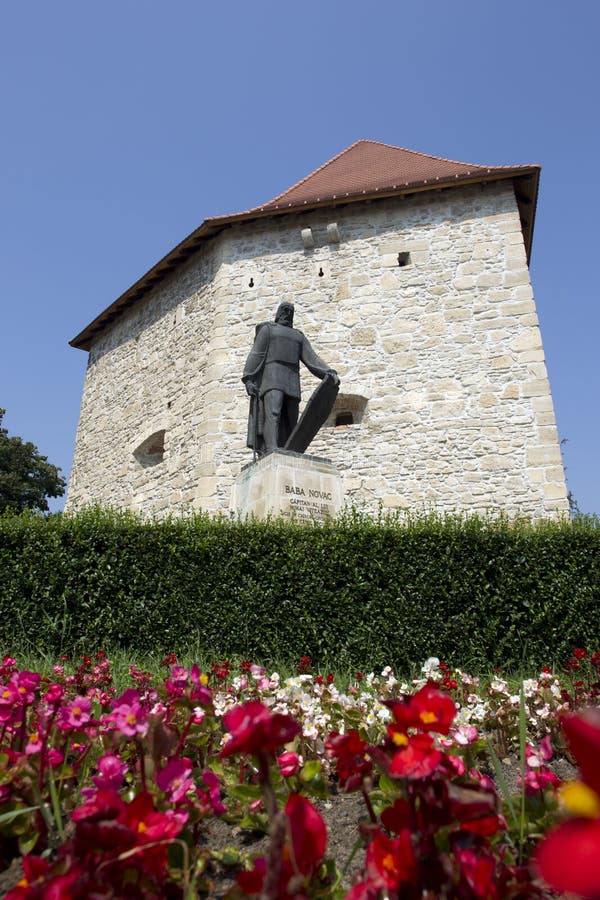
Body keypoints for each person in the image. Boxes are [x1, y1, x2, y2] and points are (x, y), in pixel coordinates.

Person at [242, 302, 339, 455]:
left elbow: (312, 358)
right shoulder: (268, 330)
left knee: (291, 418)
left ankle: (290, 448)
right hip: (271, 377)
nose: (288, 313)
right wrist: (249, 379)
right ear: (279, 313)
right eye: (285, 310)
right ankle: (272, 448)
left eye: (291, 311)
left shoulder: (298, 336)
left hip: (292, 378)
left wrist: (327, 371)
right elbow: (256, 354)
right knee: (273, 412)